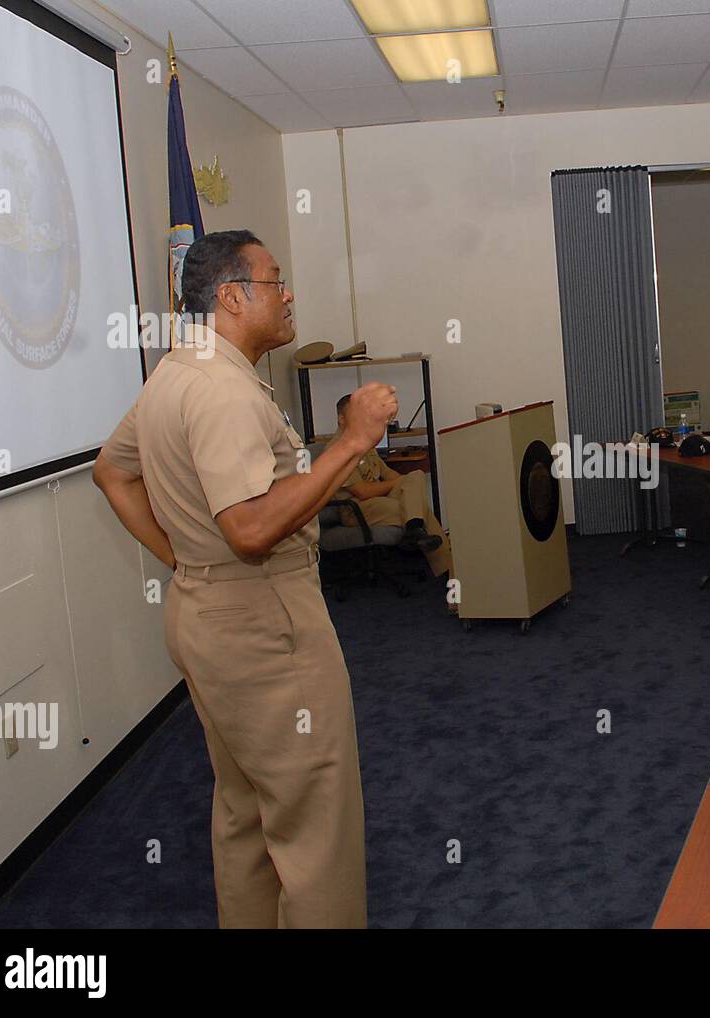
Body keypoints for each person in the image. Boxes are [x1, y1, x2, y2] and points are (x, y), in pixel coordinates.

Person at [93, 230, 389, 928]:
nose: (288, 296)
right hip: (264, 623)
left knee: (247, 809)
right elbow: (251, 530)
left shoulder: (177, 371)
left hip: (205, 614)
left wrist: (187, 559)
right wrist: (350, 443)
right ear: (230, 296)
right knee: (315, 822)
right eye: (274, 281)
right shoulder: (223, 392)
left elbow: (112, 470)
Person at [333, 395, 451, 577]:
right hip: (356, 509)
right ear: (342, 419)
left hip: (377, 500)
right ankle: (449, 574)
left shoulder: (364, 443)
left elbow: (388, 473)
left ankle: (415, 530)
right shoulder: (338, 450)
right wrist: (398, 484)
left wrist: (403, 485)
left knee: (415, 477)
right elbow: (361, 491)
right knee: (415, 509)